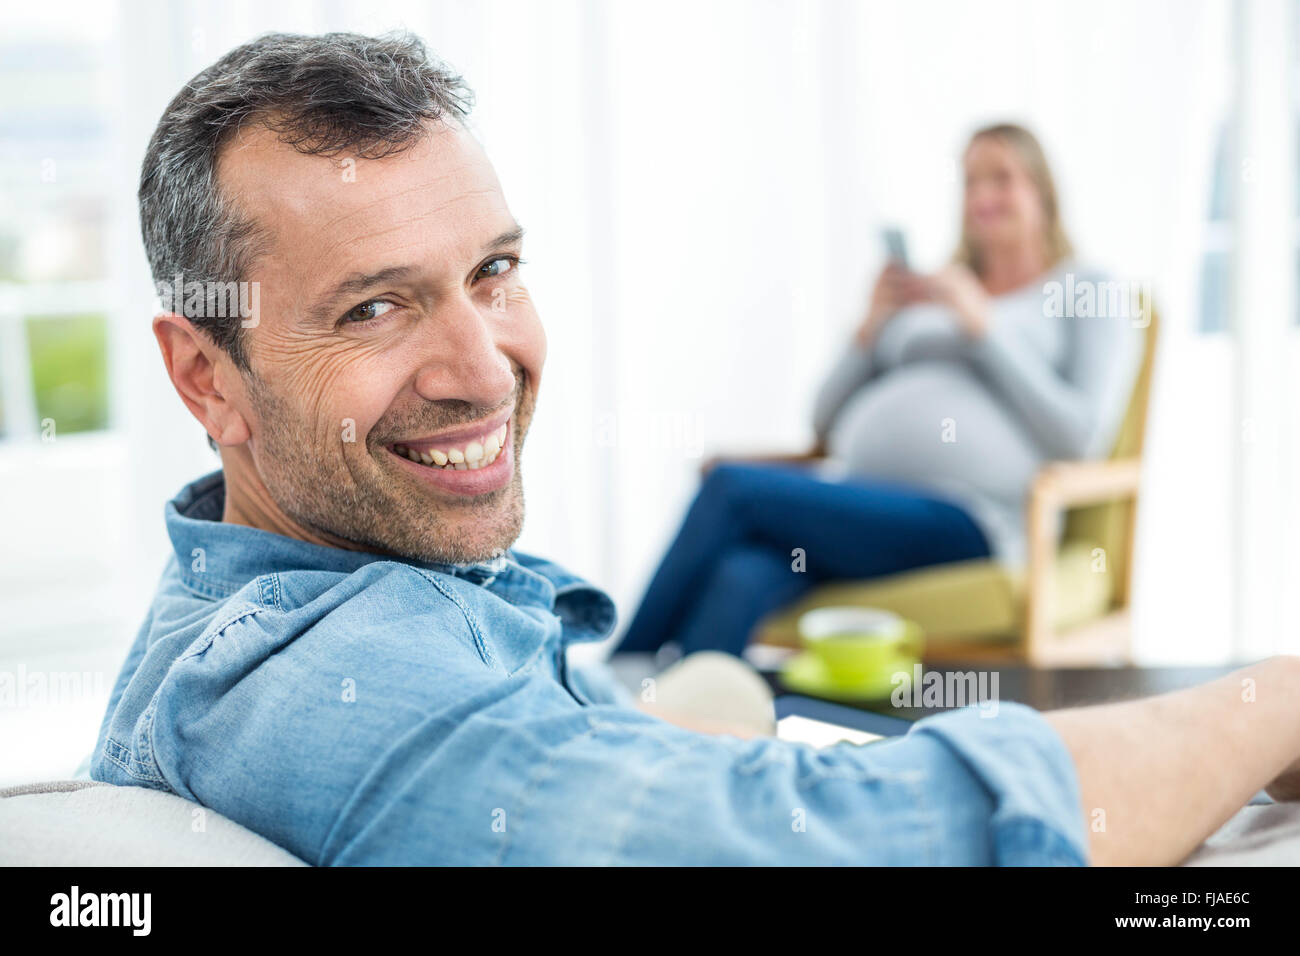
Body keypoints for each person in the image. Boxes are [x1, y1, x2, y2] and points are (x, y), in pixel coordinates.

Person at [93, 32, 1300, 866]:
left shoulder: (1075, 291)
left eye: (494, 271)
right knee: (734, 538)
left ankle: (643, 698)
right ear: (207, 377)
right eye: (373, 307)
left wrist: (978, 333)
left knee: (731, 536)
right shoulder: (319, 680)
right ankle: (657, 699)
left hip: (989, 521)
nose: (485, 369)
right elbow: (888, 838)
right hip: (860, 496)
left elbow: (1076, 436)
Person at [616, 123, 1143, 659]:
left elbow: (1082, 438)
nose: (982, 196)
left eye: (1001, 178)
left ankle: (609, 683)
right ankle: (684, 732)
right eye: (970, 182)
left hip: (971, 522)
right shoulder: (934, 289)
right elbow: (823, 423)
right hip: (858, 509)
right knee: (741, 574)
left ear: (1042, 192)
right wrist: (868, 330)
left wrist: (985, 329)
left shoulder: (1086, 288)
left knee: (732, 486)